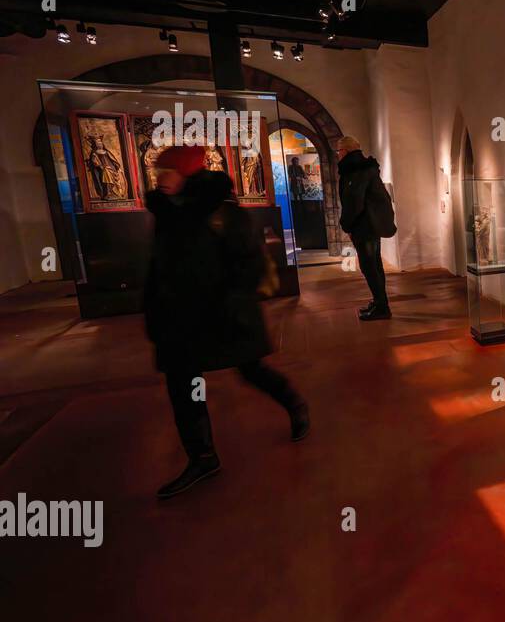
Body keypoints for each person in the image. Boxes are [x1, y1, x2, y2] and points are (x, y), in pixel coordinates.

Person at [143, 144, 309, 499]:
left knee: (250, 369)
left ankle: (295, 404)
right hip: (180, 318)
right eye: (158, 175)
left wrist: (230, 301)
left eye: (166, 173)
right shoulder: (168, 211)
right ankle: (202, 456)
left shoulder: (222, 212)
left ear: (186, 173)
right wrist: (156, 311)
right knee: (183, 385)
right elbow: (160, 269)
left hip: (224, 312)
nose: (160, 181)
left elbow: (246, 263)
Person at [335, 135, 395, 320]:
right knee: (375, 265)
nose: (338, 155)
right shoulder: (365, 167)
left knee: (369, 266)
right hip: (372, 223)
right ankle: (379, 302)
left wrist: (346, 224)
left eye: (339, 151)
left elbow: (354, 202)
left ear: (344, 151)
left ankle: (382, 307)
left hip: (364, 225)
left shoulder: (354, 170)